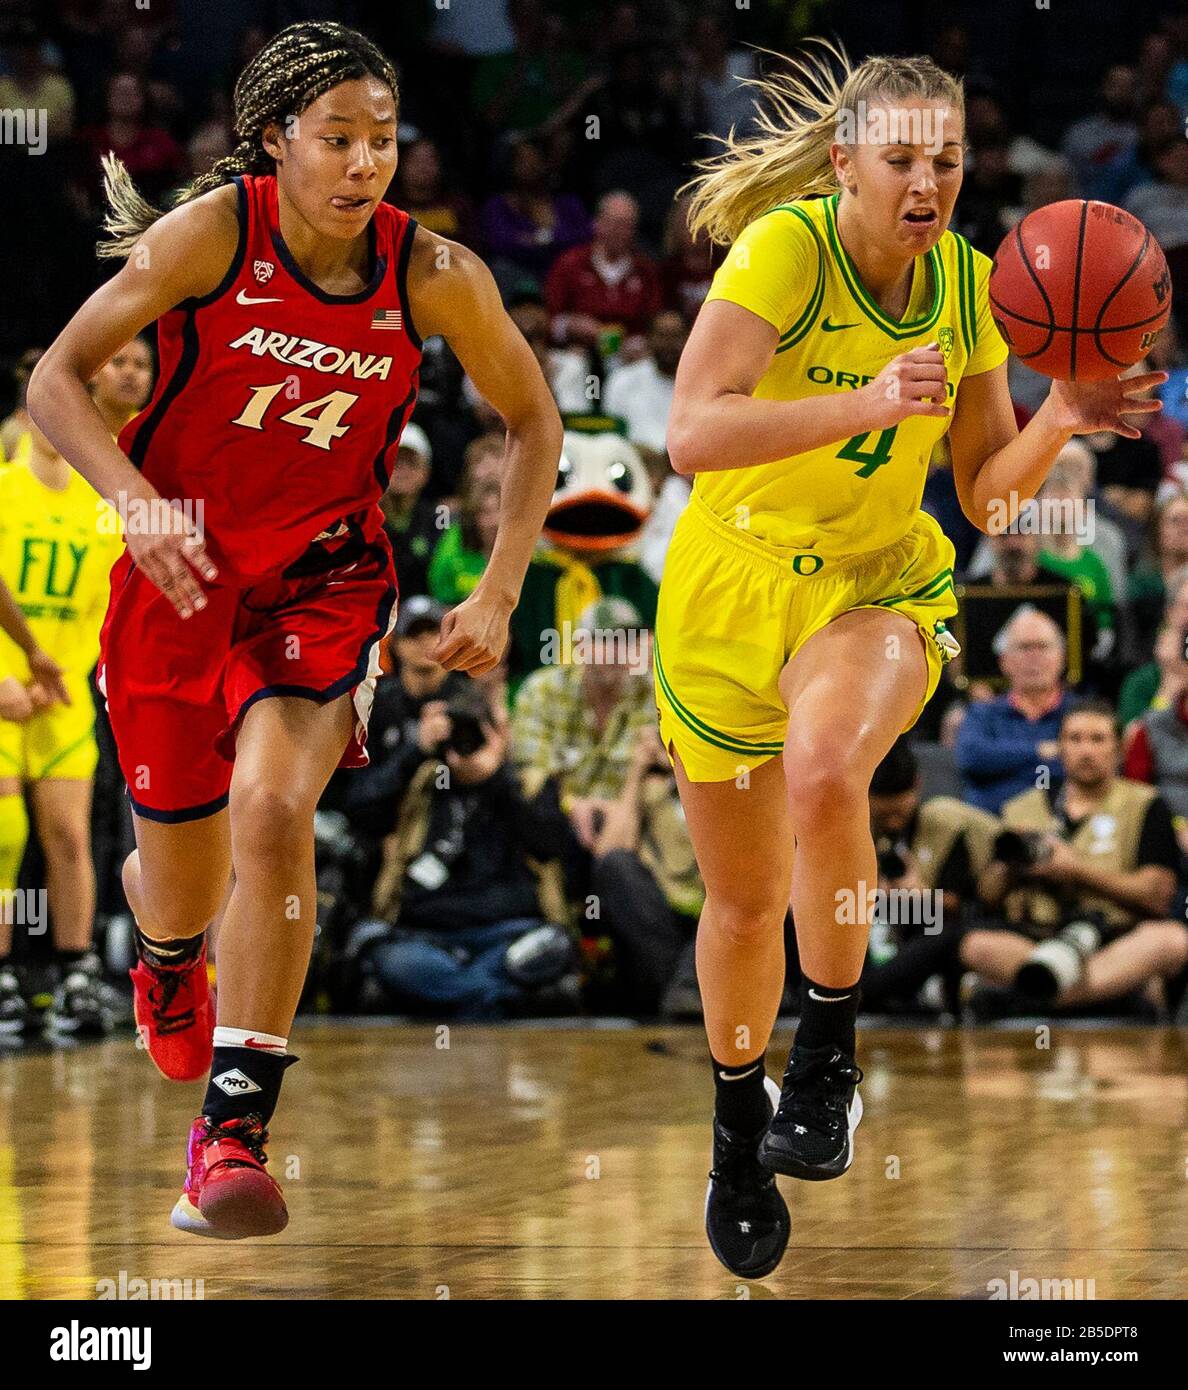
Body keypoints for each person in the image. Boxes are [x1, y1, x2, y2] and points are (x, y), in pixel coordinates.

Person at [27, 22, 561, 1240]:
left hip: (323, 581)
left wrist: (499, 586)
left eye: (384, 139)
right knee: (181, 884)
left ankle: (232, 1129)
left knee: (275, 809)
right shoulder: (209, 237)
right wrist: (138, 501)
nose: (368, 162)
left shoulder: (432, 274)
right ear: (274, 143)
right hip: (178, 581)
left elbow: (534, 421)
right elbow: (54, 380)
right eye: (339, 138)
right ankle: (165, 951)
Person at [656, 43, 1164, 1281]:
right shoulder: (786, 249)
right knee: (735, 905)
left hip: (877, 587)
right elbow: (687, 434)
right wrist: (870, 401)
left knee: (831, 768)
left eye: (948, 157)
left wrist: (1057, 417)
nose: (928, 180)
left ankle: (826, 1057)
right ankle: (735, 1128)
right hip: (726, 589)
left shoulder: (980, 287)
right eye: (902, 158)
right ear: (846, 164)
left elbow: (988, 501)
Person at [963, 700, 1185, 1016]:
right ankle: (1103, 997)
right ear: (1060, 747)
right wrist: (1011, 865)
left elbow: (1158, 896)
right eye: (1075, 739)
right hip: (1036, 938)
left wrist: (1075, 871)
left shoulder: (1146, 804)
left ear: (1118, 749)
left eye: (1097, 740)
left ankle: (1029, 998)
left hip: (1112, 941)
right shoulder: (1023, 808)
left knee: (1170, 941)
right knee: (977, 944)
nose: (1086, 751)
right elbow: (987, 896)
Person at [955, 607, 1074, 814]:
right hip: (991, 826)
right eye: (1025, 647)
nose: (1034, 656)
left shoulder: (1080, 714)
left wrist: (1004, 766)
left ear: (1062, 658)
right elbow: (971, 758)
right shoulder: (982, 713)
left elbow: (1091, 766)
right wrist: (1040, 751)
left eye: (1043, 647)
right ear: (1004, 662)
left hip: (1064, 823)